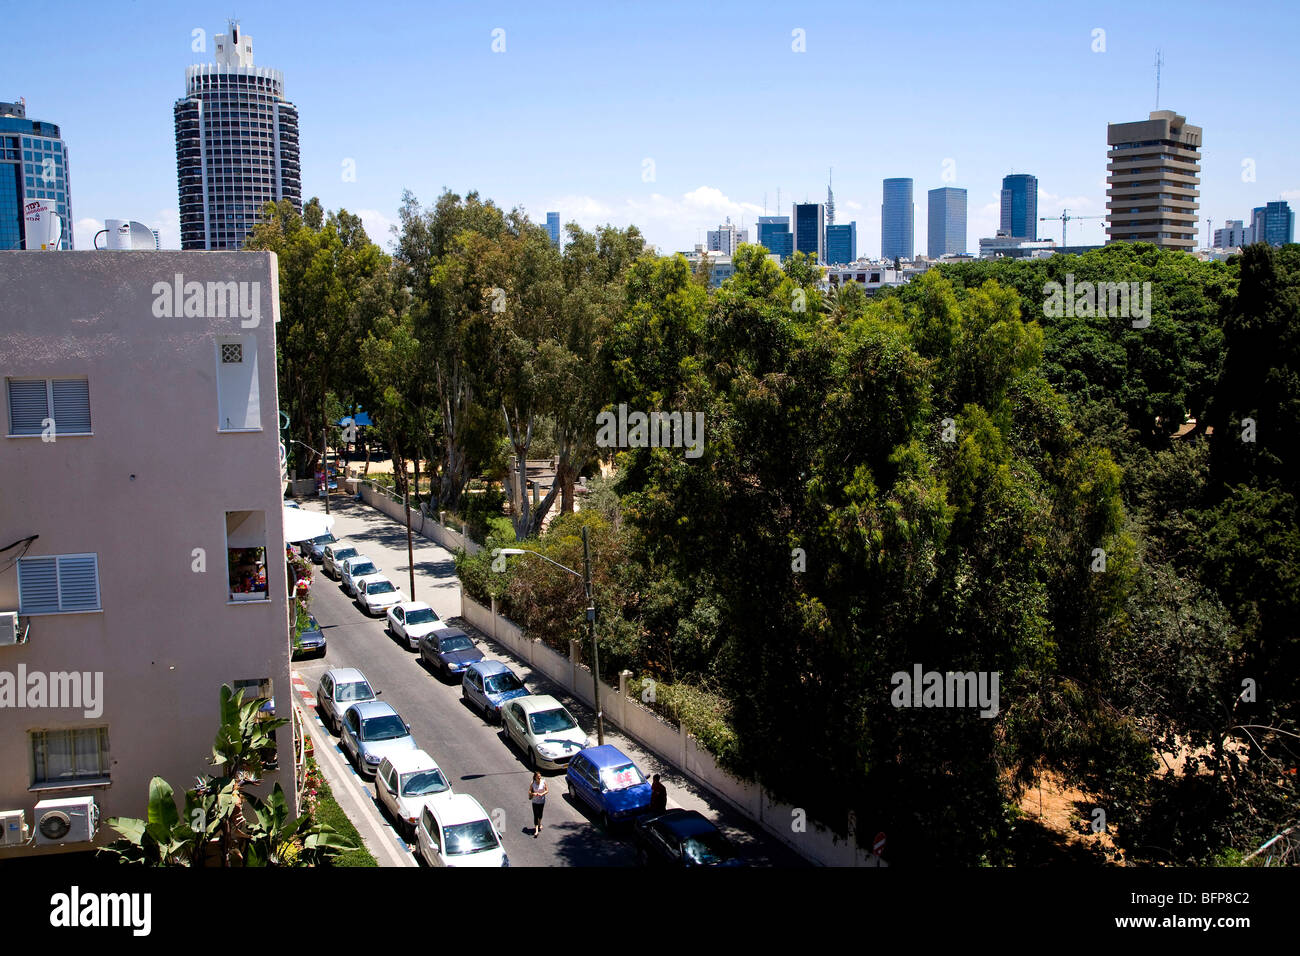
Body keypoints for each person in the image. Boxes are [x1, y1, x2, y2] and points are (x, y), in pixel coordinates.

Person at [528, 772, 548, 836]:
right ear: (535, 777)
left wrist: (542, 793)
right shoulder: (532, 783)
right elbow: (529, 791)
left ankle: (539, 823)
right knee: (535, 815)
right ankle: (536, 831)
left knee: (540, 814)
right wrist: (533, 794)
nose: (539, 778)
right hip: (535, 802)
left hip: (541, 801)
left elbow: (547, 790)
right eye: (538, 777)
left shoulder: (543, 782)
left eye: (540, 776)